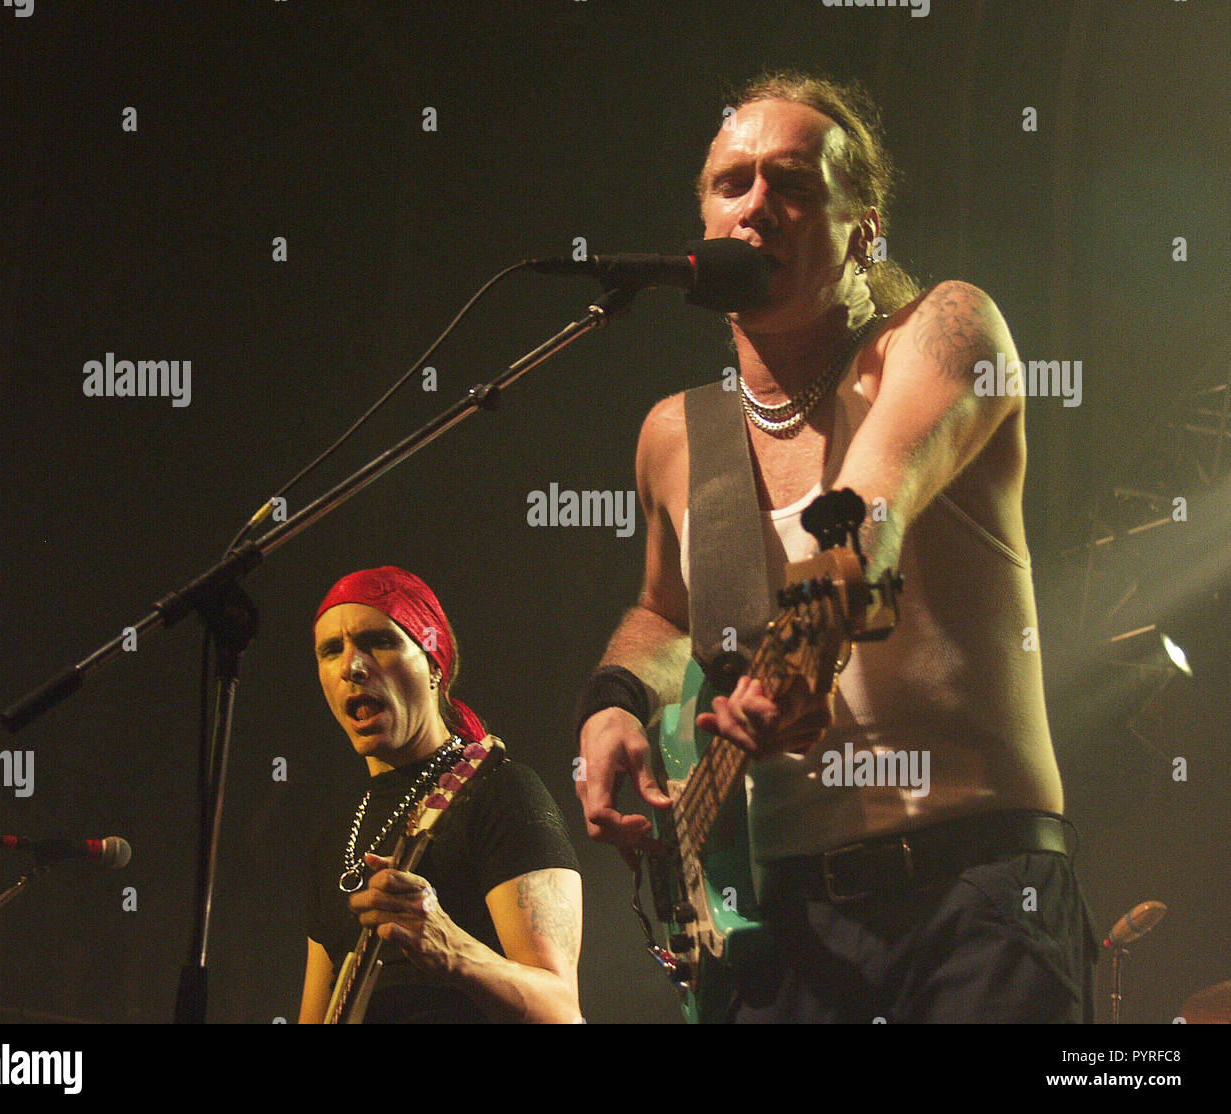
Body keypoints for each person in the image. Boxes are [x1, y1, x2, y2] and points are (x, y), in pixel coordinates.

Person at [574, 72, 1097, 1022]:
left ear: (863, 231)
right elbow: (661, 612)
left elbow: (867, 509)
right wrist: (613, 704)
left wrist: (798, 662)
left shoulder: (941, 332)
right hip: (789, 929)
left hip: (976, 893)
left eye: (793, 184)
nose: (756, 207)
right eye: (732, 183)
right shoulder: (677, 437)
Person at [299, 565, 583, 1023]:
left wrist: (449, 946)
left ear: (434, 664)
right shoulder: (335, 842)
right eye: (331, 650)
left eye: (379, 641)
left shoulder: (502, 794)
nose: (351, 666)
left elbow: (561, 1011)